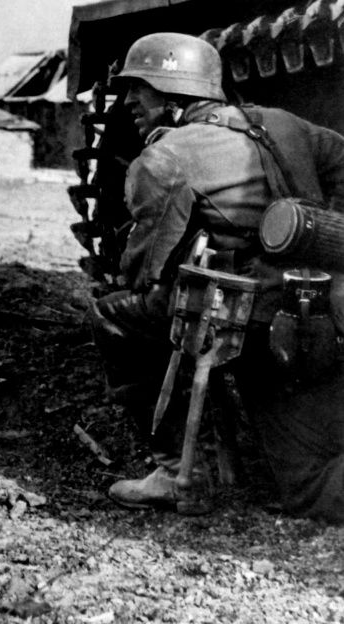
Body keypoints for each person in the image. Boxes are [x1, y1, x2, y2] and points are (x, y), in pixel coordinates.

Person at [90, 31, 344, 523]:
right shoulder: (283, 123)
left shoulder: (164, 156)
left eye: (139, 89)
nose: (128, 103)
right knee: (310, 479)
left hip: (245, 321)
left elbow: (144, 270)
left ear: (173, 93)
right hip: (316, 315)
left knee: (116, 316)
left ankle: (176, 472)